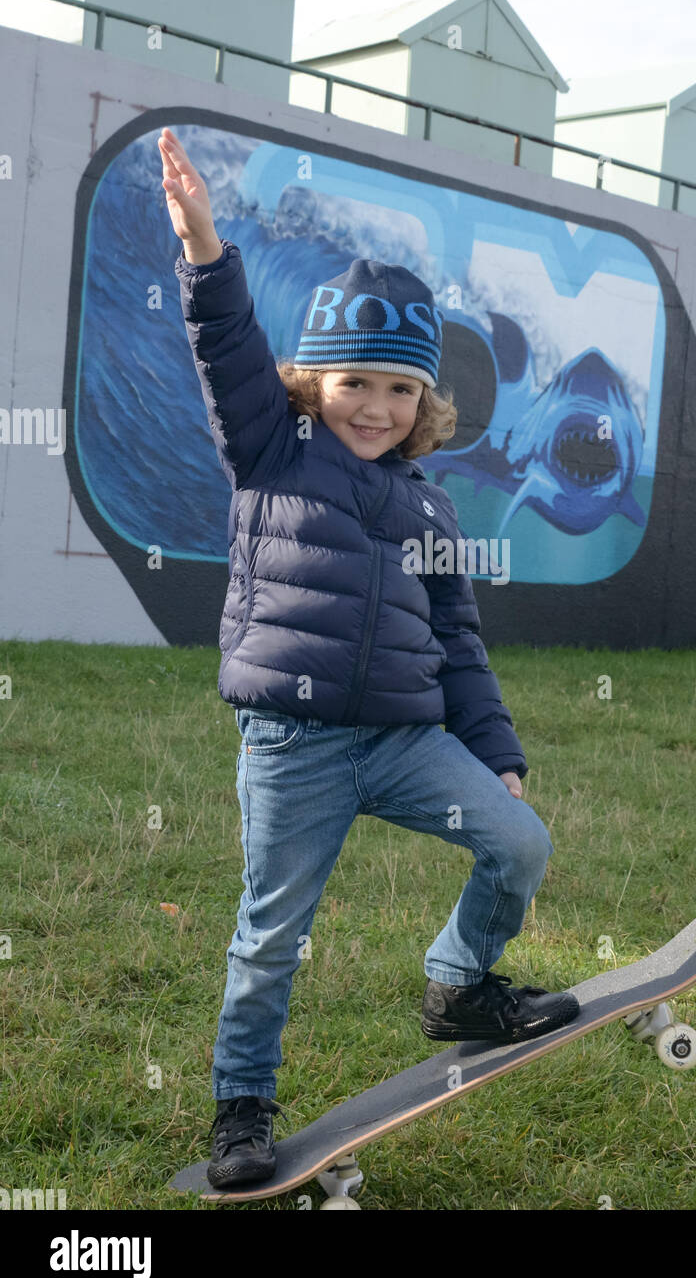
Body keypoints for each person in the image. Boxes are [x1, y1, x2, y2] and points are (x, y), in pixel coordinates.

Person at [159, 126, 580, 1189]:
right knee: (270, 939)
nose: (374, 407)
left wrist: (494, 746)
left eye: (399, 390)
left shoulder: (431, 501)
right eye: (353, 381)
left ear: (425, 403)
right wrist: (205, 247)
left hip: (404, 739)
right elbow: (227, 349)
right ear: (313, 382)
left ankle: (457, 984)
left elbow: (457, 642)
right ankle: (242, 1108)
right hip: (295, 747)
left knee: (517, 843)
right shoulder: (270, 450)